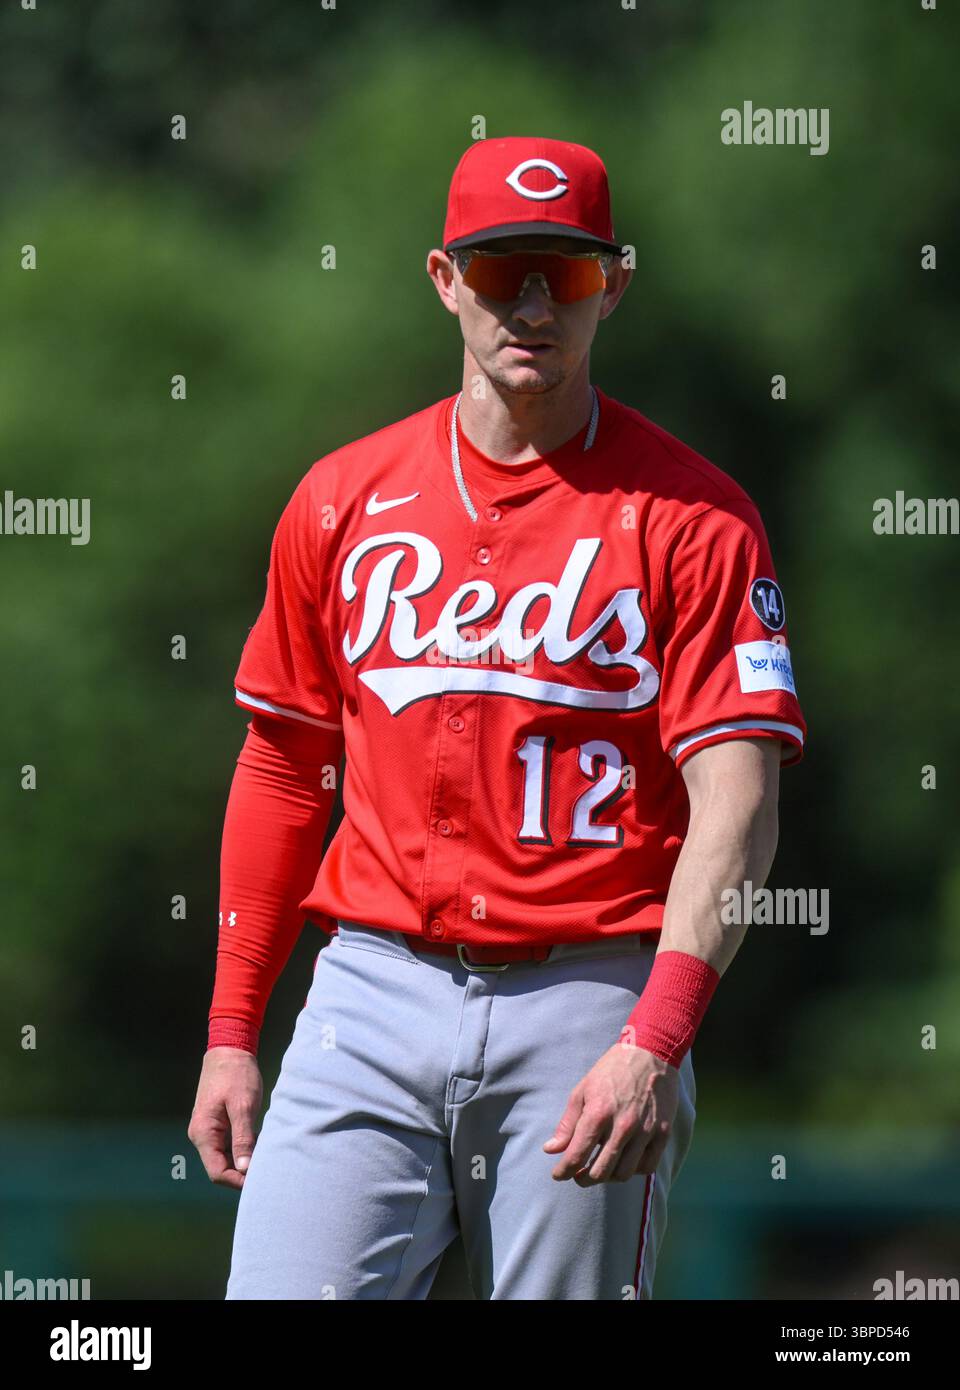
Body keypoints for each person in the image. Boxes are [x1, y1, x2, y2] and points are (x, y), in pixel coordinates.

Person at [188, 136, 806, 1300]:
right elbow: (282, 768)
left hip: (590, 994)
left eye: (563, 275)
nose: (530, 304)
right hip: (368, 987)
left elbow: (740, 803)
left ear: (612, 284)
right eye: (500, 269)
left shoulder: (695, 519)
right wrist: (232, 1027)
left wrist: (655, 1040)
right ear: (443, 279)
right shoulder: (343, 497)